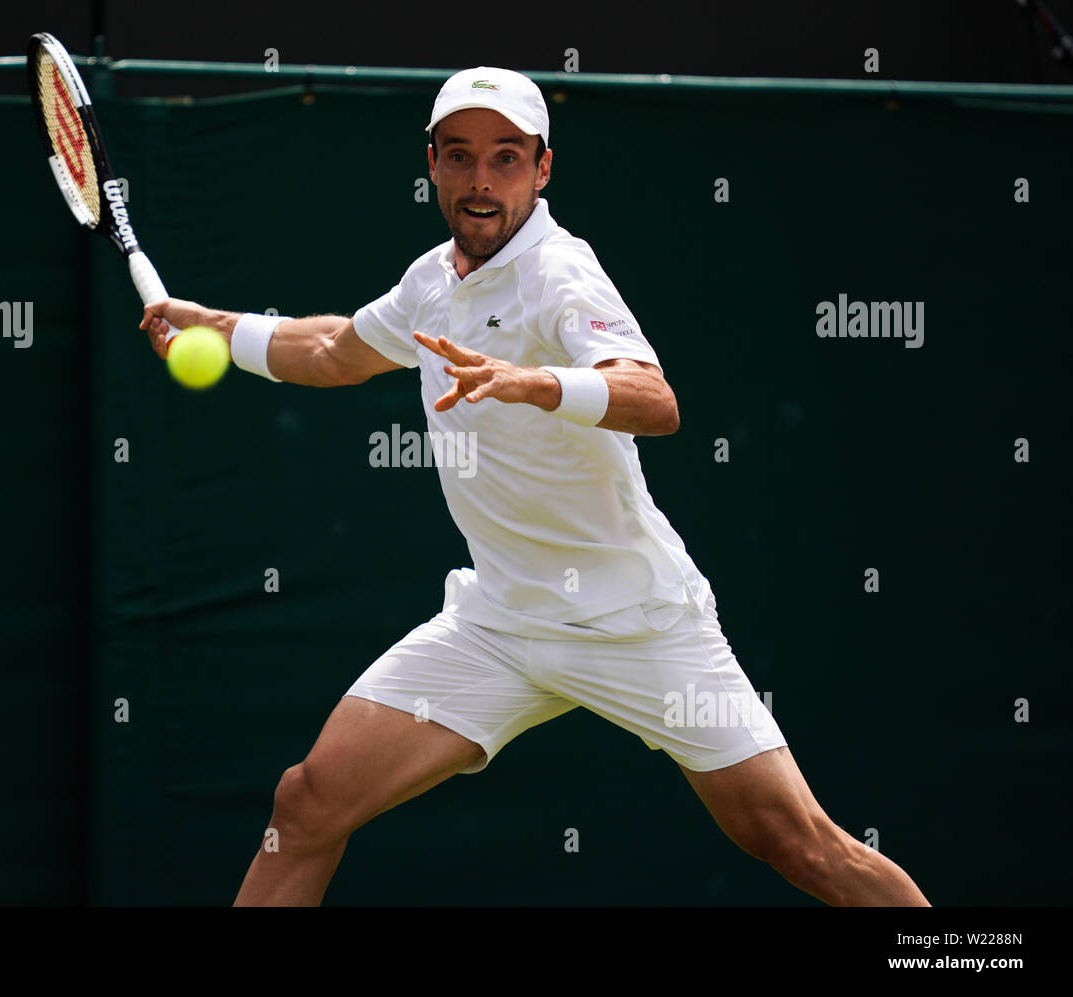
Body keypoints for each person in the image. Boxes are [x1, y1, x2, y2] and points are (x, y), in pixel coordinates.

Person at [139, 66, 930, 908]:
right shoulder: (430, 282)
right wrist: (214, 325)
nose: (481, 180)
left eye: (507, 158)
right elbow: (336, 351)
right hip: (500, 622)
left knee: (797, 841)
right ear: (432, 165)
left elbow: (655, 400)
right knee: (307, 802)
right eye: (460, 156)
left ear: (542, 169)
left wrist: (536, 383)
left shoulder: (561, 273)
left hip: (635, 621)